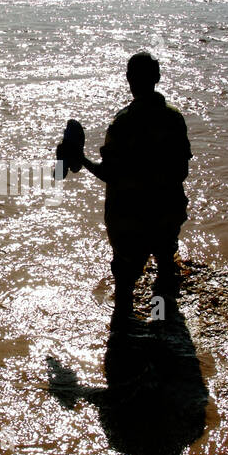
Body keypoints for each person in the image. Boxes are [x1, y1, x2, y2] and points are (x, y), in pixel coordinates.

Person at [61, 52, 192, 322]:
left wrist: (81, 158)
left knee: (125, 283)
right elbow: (182, 171)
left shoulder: (123, 124)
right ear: (157, 78)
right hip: (167, 212)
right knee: (165, 271)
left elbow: (108, 173)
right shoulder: (174, 119)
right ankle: (161, 327)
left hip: (130, 219)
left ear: (129, 79)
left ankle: (125, 333)